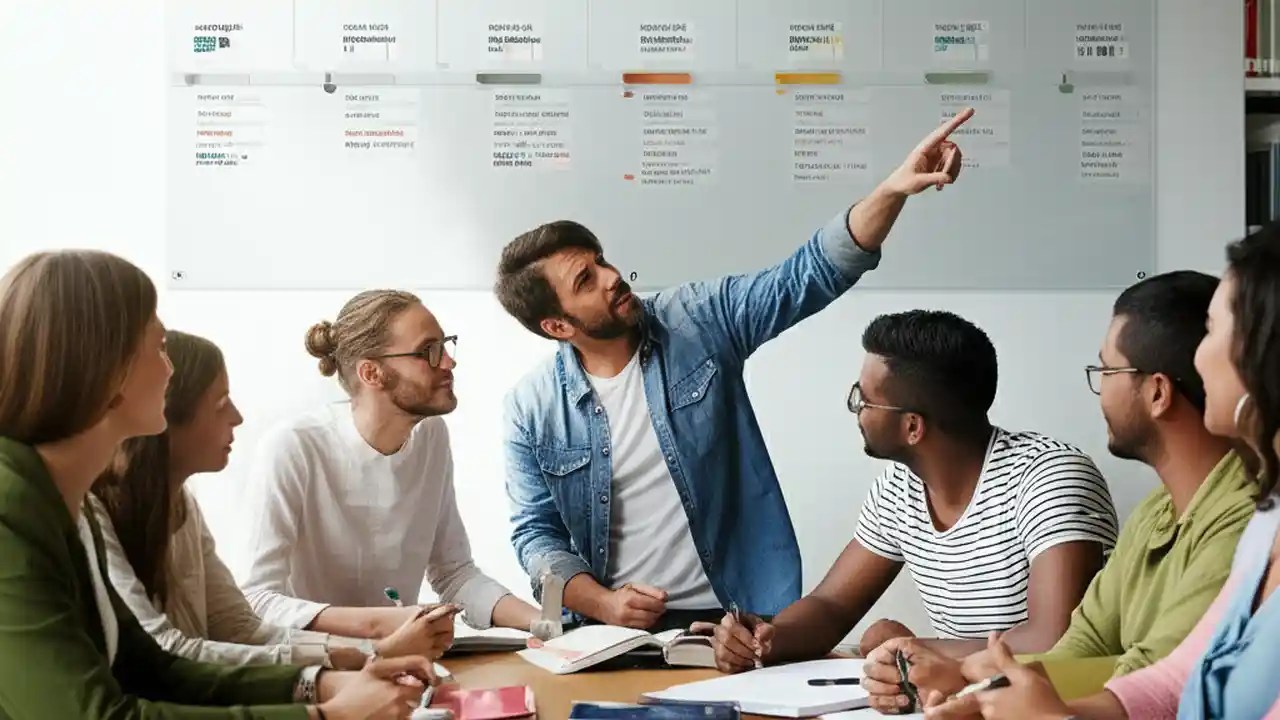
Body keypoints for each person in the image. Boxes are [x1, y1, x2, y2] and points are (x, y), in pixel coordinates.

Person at [496, 108, 975, 632]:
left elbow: (809, 274)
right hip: (610, 633)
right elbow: (536, 539)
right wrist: (605, 605)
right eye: (585, 281)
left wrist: (893, 190)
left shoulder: (699, 320)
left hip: (736, 619)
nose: (612, 277)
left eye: (603, 261)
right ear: (557, 326)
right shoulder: (531, 409)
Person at [0, 250, 434, 719]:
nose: (170, 370)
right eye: (160, 346)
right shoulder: (12, 508)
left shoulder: (72, 503)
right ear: (105, 364)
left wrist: (318, 683)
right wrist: (325, 714)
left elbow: (152, 668)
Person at [923, 225, 1280, 720]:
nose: (1198, 357)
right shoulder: (1263, 519)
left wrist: (1035, 706)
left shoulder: (1242, 512)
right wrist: (987, 688)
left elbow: (1149, 668)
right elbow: (1167, 677)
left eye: (1216, 330)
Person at [705, 310, 1120, 671]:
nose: (857, 411)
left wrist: (915, 650)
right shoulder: (898, 489)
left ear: (912, 427)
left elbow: (1056, 640)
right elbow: (831, 606)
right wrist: (766, 638)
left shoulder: (1051, 478)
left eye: (864, 400)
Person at [91, 330, 450, 669]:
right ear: (167, 415)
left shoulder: (182, 504)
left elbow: (243, 630)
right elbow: (170, 651)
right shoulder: (94, 516)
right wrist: (369, 653)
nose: (237, 416)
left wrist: (369, 653)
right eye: (220, 404)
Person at [242, 289, 540, 641]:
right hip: (318, 669)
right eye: (429, 351)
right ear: (372, 372)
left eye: (445, 346)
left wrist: (546, 625)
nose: (448, 362)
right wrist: (381, 625)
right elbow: (256, 600)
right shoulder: (293, 446)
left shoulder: (431, 436)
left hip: (405, 663)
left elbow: (454, 574)